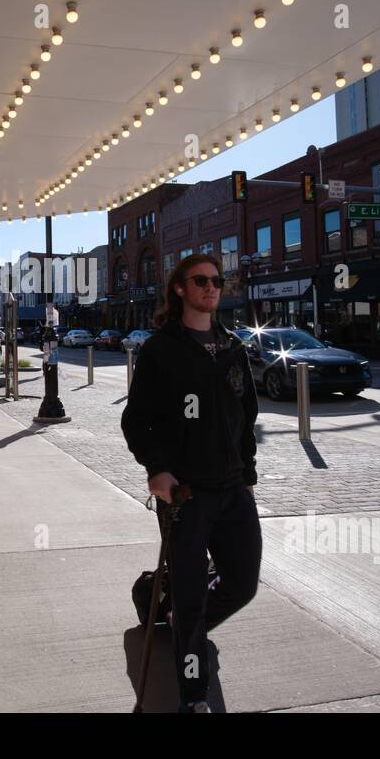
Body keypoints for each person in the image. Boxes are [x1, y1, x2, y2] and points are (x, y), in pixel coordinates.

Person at [121, 253, 261, 714]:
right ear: (179, 288)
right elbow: (137, 420)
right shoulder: (162, 349)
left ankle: (176, 616)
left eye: (217, 281)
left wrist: (248, 476)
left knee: (242, 584)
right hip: (186, 494)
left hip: (233, 489)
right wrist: (157, 469)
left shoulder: (233, 347)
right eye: (200, 280)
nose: (211, 287)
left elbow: (247, 420)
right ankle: (194, 697)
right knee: (192, 597)